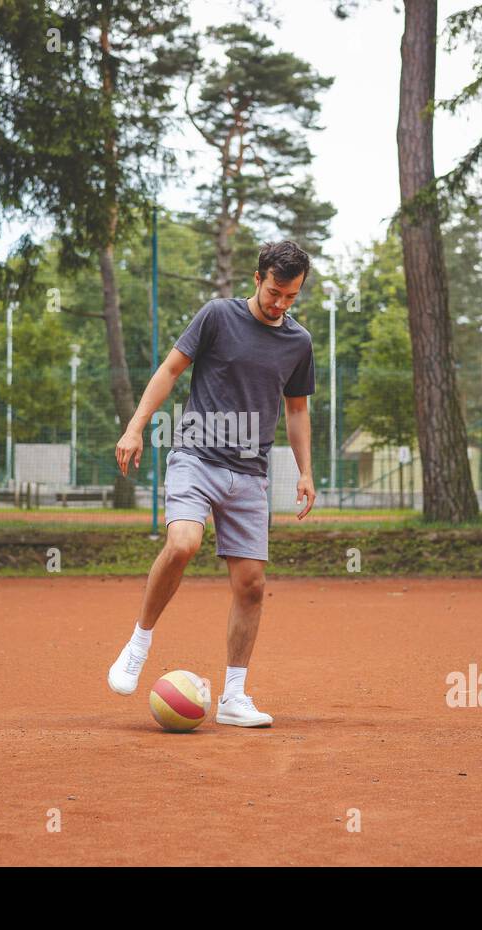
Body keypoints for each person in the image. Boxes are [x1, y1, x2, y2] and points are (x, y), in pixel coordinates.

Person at [107, 239, 318, 727]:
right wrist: (136, 426)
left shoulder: (298, 342)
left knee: (251, 584)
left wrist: (306, 471)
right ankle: (139, 644)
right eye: (274, 292)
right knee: (183, 543)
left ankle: (234, 697)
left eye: (292, 296)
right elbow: (170, 370)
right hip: (196, 455)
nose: (281, 304)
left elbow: (297, 409)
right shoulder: (217, 316)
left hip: (249, 473)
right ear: (257, 278)